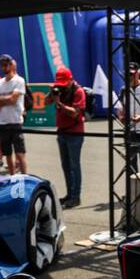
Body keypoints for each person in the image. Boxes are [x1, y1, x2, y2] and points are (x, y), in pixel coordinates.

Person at [47, 65, 86, 207]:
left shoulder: (79, 92)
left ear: (70, 80)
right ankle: (69, 194)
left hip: (75, 132)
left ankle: (76, 197)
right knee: (65, 165)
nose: (61, 86)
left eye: (63, 83)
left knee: (75, 165)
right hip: (62, 132)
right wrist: (52, 93)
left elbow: (74, 113)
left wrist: (60, 104)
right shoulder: (59, 90)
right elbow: (46, 102)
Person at [0, 54, 27, 175]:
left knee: (20, 154)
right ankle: (12, 178)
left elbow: (13, 100)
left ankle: (24, 178)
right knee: (7, 154)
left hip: (16, 121)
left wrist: (1, 99)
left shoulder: (19, 81)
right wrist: (6, 99)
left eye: (6, 64)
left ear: (11, 65)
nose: (5, 67)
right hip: (2, 122)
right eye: (2, 65)